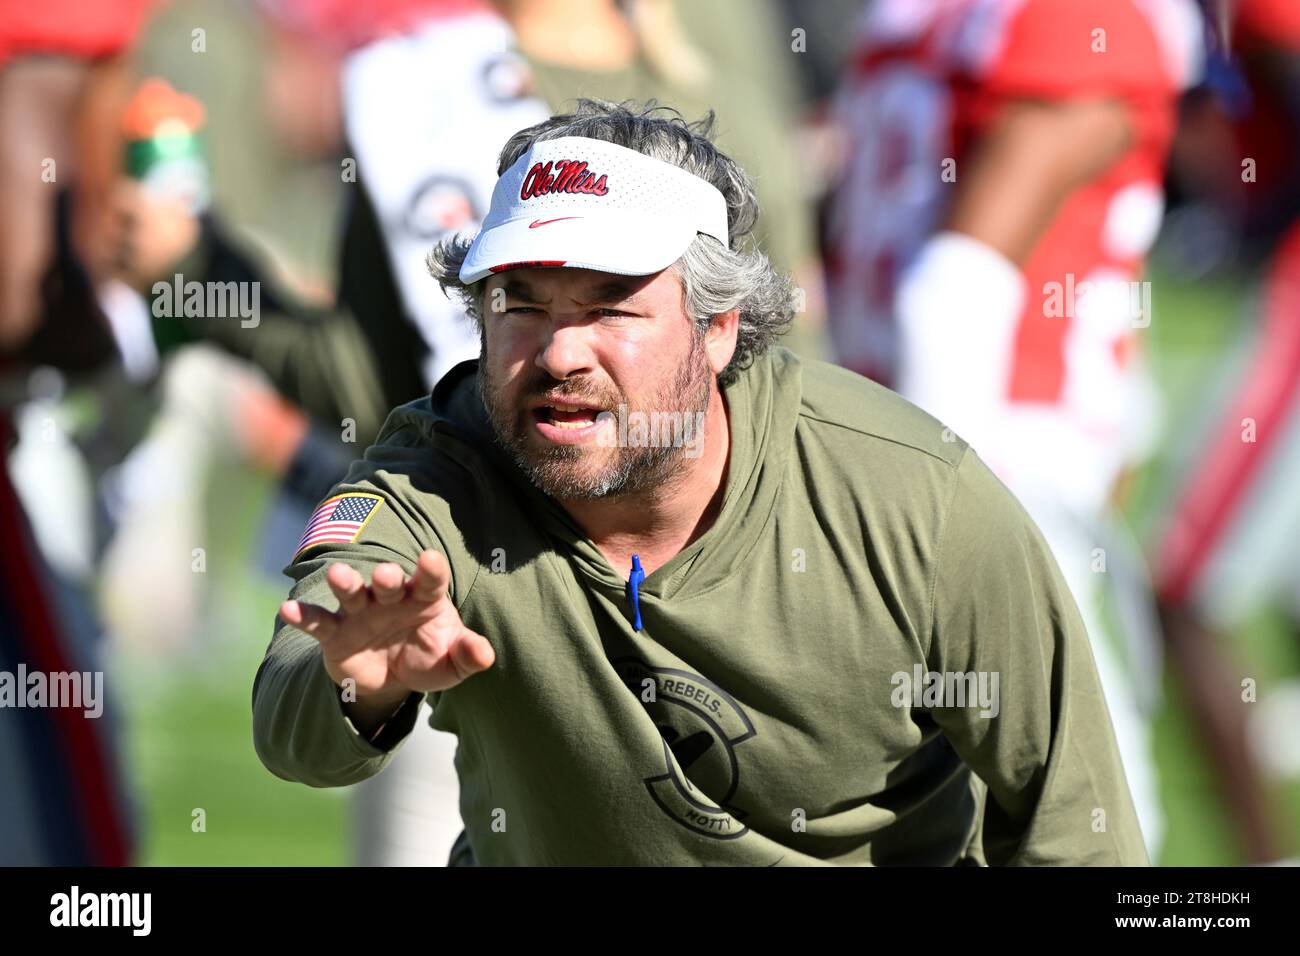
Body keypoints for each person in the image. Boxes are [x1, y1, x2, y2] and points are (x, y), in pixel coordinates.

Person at [252, 100, 1147, 866]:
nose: (561, 352)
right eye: (519, 302)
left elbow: (1078, 825)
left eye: (611, 307)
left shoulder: (919, 498)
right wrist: (359, 684)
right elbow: (291, 714)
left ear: (718, 328)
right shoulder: (435, 480)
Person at [822, 0, 1207, 861]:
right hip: (986, 437)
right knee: (1085, 793)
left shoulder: (916, 23)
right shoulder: (1074, 20)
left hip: (886, 422)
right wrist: (932, 520)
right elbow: (956, 283)